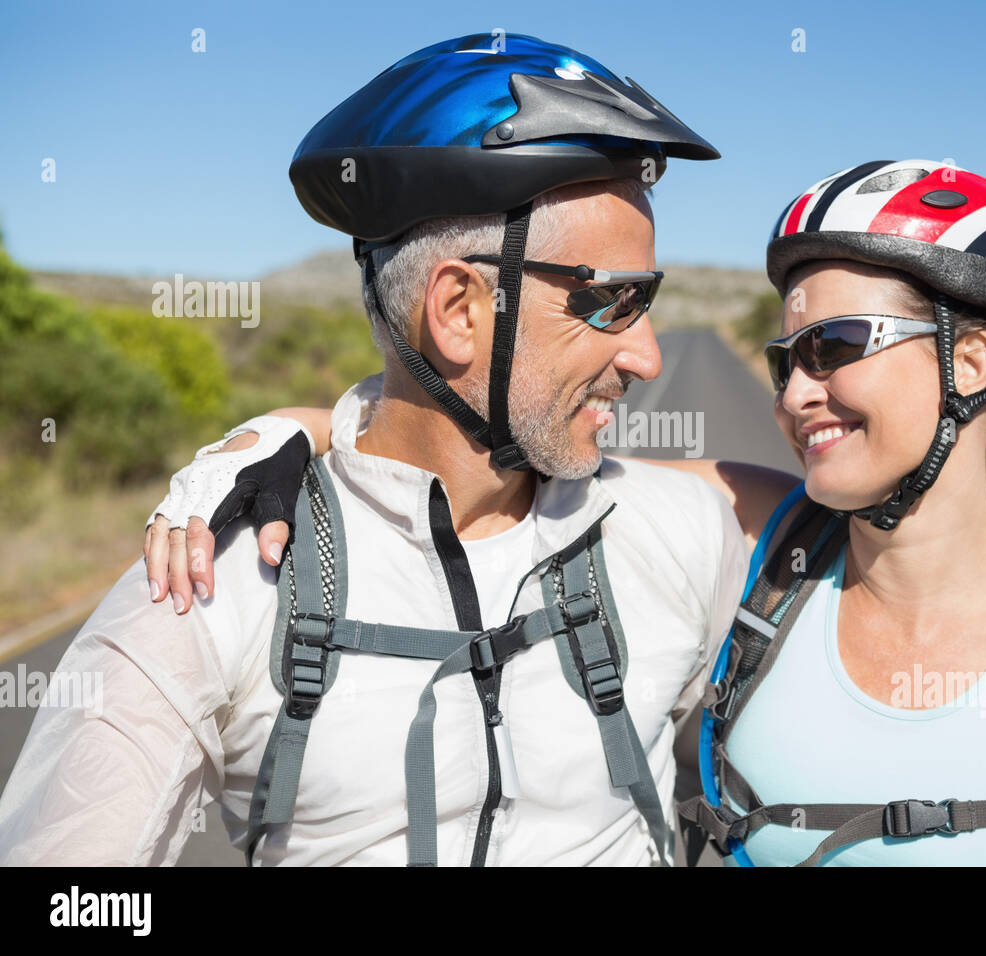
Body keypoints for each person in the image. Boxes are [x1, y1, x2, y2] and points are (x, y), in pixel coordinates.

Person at [149, 160, 986, 867]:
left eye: (836, 348)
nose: (796, 394)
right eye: (786, 357)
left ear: (969, 360)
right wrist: (267, 435)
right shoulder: (762, 542)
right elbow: (462, 444)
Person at [0, 33, 769, 867]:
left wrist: (298, 420)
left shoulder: (677, 528)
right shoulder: (212, 577)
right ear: (459, 310)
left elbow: (899, 519)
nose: (646, 357)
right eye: (613, 302)